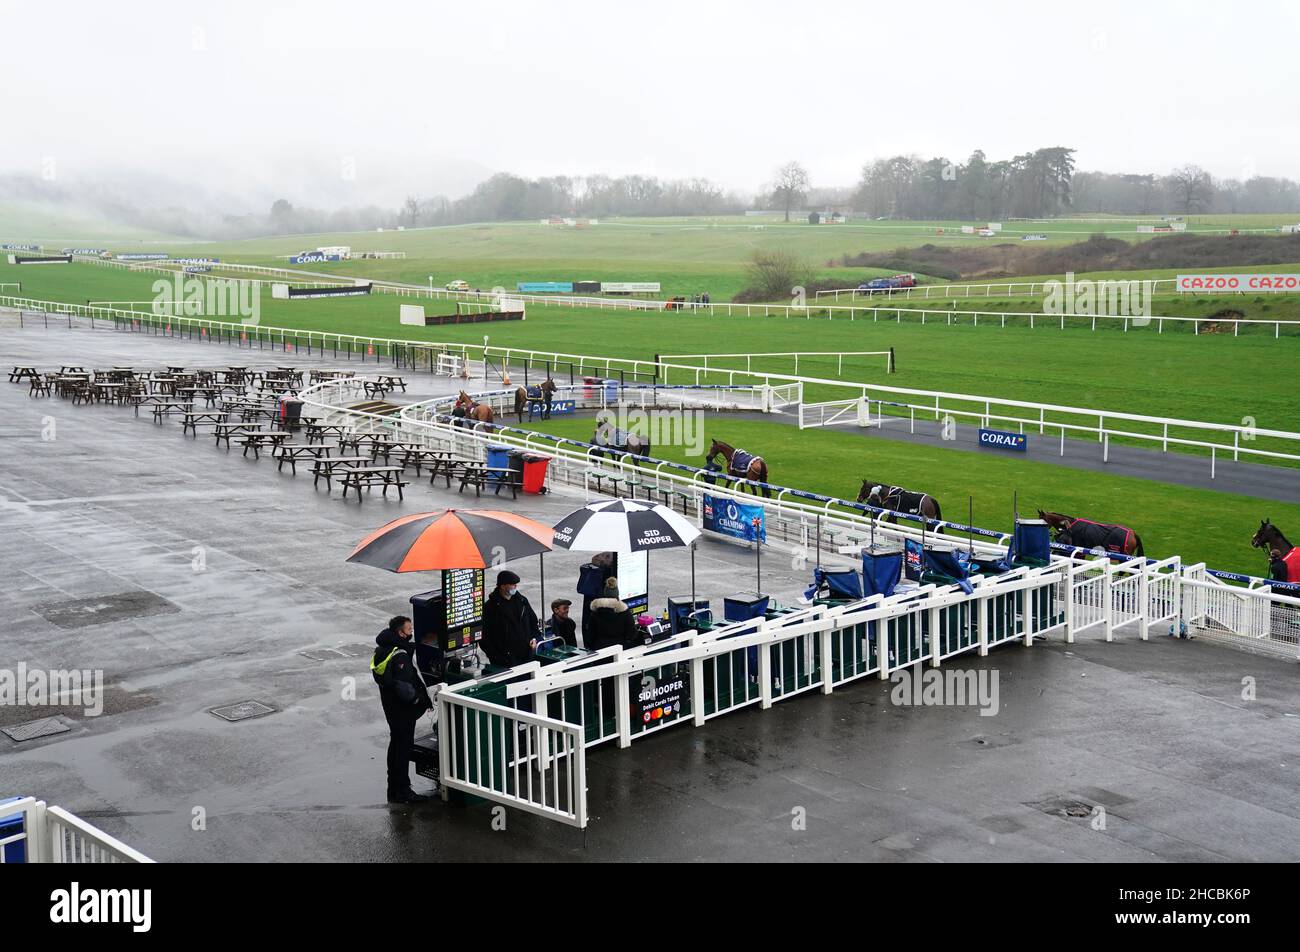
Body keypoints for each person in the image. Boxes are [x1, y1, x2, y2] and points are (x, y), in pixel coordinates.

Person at [371, 615, 433, 804]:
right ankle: (404, 791)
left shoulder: (382, 650)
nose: (411, 632)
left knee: (396, 745)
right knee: (403, 749)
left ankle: (394, 787)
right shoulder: (400, 655)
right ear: (400, 632)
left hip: (390, 708)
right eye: (409, 629)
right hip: (402, 711)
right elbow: (405, 689)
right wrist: (420, 700)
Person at [481, 570, 539, 668]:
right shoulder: (490, 607)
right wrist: (496, 656)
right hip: (504, 661)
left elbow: (533, 622)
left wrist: (534, 638)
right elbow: (484, 637)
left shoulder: (522, 601)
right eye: (512, 584)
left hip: (526, 656)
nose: (515, 587)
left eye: (516, 584)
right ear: (503, 586)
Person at [586, 577, 637, 650]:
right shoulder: (625, 612)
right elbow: (632, 634)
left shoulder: (595, 613)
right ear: (617, 594)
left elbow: (589, 635)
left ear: (605, 593)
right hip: (620, 649)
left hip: (599, 651)